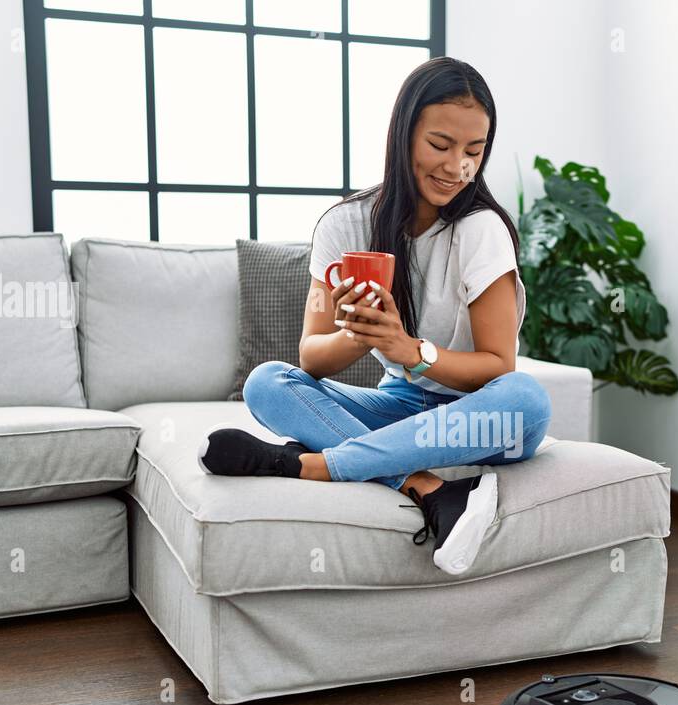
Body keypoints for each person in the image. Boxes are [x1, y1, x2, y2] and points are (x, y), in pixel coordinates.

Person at [199, 57, 551, 576]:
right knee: (267, 382)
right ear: (403, 133)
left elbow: (499, 367)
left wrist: (410, 351)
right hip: (400, 408)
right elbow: (311, 358)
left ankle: (309, 465)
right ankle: (424, 485)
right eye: (440, 145)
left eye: (473, 152)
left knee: (527, 402)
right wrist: (361, 336)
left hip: (474, 417)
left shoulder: (481, 230)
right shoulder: (344, 226)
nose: (457, 168)